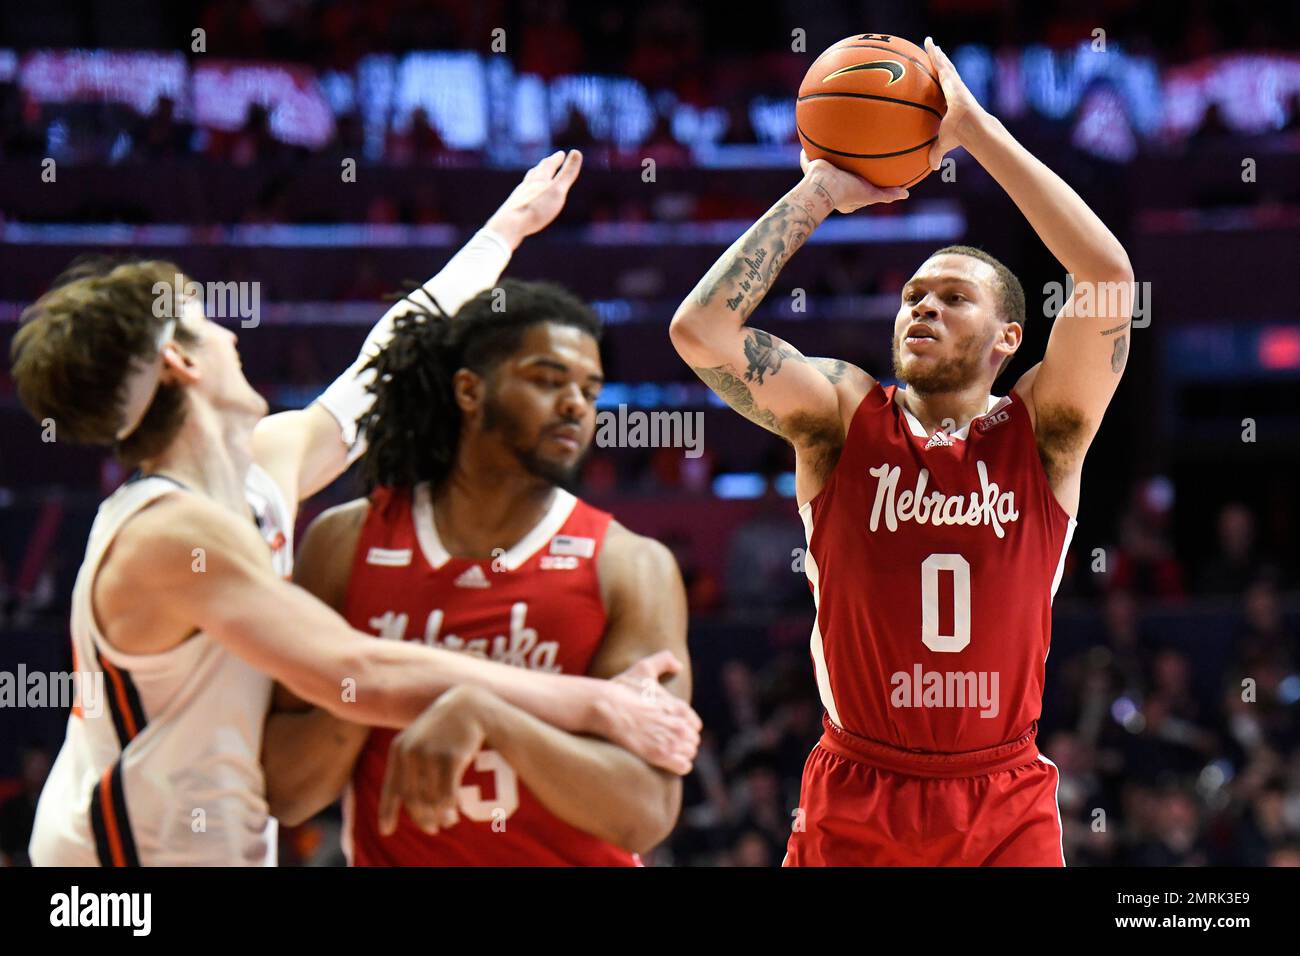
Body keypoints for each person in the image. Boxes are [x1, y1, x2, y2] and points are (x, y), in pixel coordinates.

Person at [11, 150, 699, 866]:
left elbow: (376, 371)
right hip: (116, 870)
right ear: (181, 364)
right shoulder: (168, 533)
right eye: (207, 324)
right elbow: (358, 671)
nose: (232, 334)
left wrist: (504, 231)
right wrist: (591, 704)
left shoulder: (259, 469)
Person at [668, 38, 1134, 866]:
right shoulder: (844, 416)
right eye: (914, 296)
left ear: (1009, 338)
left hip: (1002, 794)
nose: (923, 308)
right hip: (859, 789)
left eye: (954, 299)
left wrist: (978, 132)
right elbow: (700, 331)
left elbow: (1106, 276)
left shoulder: (1045, 430)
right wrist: (819, 192)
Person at [262, 279, 694, 865]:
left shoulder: (630, 564)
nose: (575, 405)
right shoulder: (346, 543)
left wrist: (487, 714)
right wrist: (380, 688)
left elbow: (643, 814)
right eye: (547, 380)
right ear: (469, 390)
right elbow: (286, 793)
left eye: (589, 390)